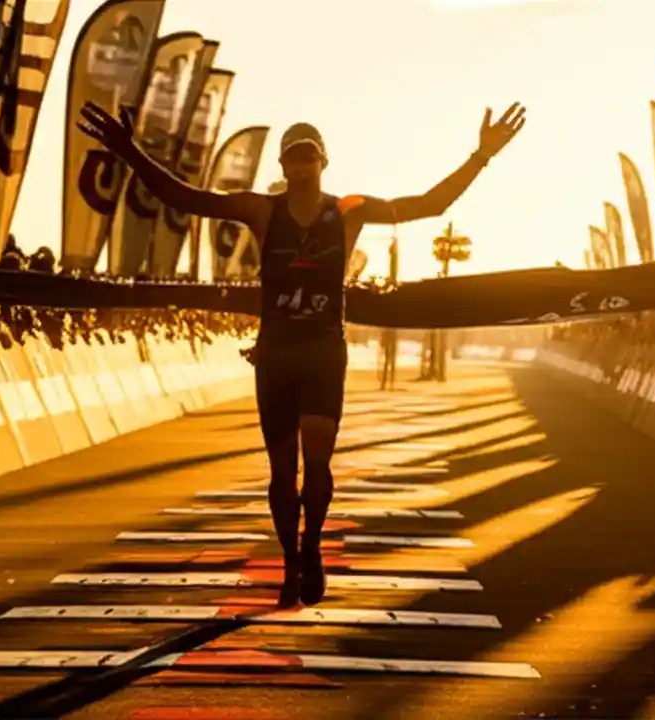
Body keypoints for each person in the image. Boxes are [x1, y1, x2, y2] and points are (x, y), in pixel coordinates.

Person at [78, 100, 526, 608]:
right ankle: (290, 561)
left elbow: (428, 205)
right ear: (283, 167)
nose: (301, 166)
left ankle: (311, 546)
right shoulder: (261, 211)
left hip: (322, 351)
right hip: (275, 355)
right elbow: (185, 198)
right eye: (293, 158)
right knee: (280, 469)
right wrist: (129, 152)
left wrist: (481, 155)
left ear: (323, 163)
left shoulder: (349, 210)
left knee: (317, 457)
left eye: (309, 157)